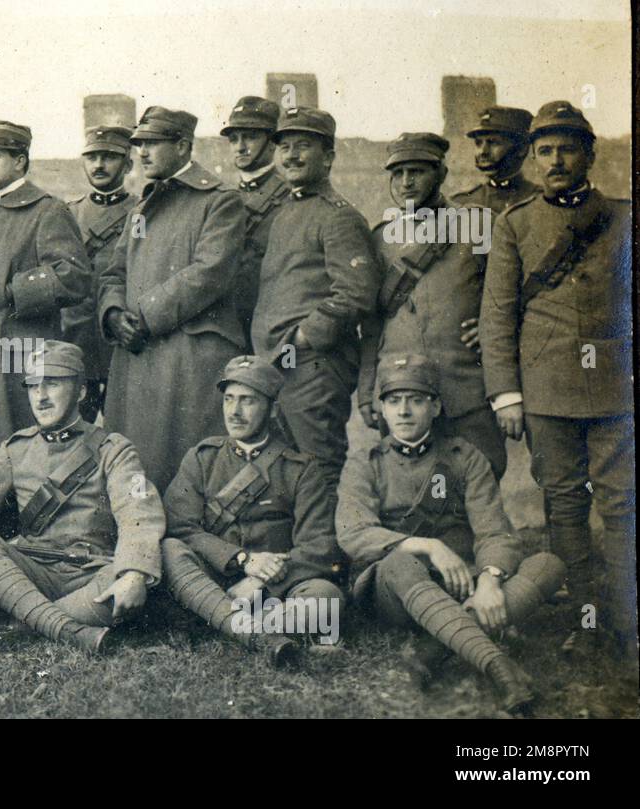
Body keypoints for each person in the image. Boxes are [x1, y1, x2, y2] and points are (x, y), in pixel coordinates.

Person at [479, 101, 635, 658]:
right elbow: (497, 315)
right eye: (544, 150)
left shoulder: (622, 218)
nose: (555, 160)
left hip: (618, 388)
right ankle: (587, 623)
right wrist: (506, 394)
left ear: (589, 154)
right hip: (547, 391)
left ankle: (627, 622)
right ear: (532, 157)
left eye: (567, 148)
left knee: (622, 506)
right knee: (565, 508)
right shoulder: (516, 224)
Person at [337, 354, 565, 714]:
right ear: (381, 409)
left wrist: (490, 579)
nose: (404, 411)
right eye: (393, 401)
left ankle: (428, 654)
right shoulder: (366, 462)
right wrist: (428, 546)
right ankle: (497, 665)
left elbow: (494, 531)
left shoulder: (464, 457)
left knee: (547, 565)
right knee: (399, 561)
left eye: (415, 400)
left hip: (461, 586)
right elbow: (354, 533)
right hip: (395, 591)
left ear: (436, 406)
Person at [0, 340, 165, 654]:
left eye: (52, 384)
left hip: (91, 573)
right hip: (32, 571)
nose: (40, 397)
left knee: (127, 580)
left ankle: (24, 622)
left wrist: (134, 572)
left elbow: (137, 511)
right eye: (33, 386)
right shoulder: (15, 450)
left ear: (82, 392)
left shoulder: (114, 449)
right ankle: (66, 627)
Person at [97, 105, 247, 492]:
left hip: (188, 358)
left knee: (186, 474)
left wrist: (143, 315)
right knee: (132, 470)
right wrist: (113, 314)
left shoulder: (218, 201)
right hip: (136, 354)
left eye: (153, 143)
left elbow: (210, 272)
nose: (141, 153)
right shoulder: (141, 206)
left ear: (183, 146)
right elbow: (115, 270)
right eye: (139, 144)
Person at [162, 356, 343, 667]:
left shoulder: (300, 469)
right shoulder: (202, 458)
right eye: (229, 399)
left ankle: (222, 624)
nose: (234, 411)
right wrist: (242, 561)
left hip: (275, 592)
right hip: (212, 582)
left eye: (247, 401)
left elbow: (318, 547)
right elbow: (180, 527)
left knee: (326, 598)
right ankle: (253, 629)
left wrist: (261, 584)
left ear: (272, 409)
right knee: (170, 550)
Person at [0, 119, 89, 488]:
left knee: (23, 461)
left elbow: (75, 277)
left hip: (19, 360)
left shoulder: (47, 211)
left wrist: (14, 290)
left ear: (21, 162)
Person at [358, 132, 506, 478]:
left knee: (481, 477)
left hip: (464, 385)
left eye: (417, 172)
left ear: (440, 174)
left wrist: (491, 327)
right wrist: (368, 390)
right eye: (398, 173)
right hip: (401, 385)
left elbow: (508, 293)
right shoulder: (381, 238)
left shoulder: (476, 225)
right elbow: (372, 324)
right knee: (410, 487)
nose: (406, 182)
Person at [250, 106, 381, 485]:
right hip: (279, 362)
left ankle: (323, 546)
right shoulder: (286, 212)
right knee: (285, 472)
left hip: (313, 365)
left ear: (329, 158)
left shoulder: (338, 216)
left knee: (316, 468)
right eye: (284, 146)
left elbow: (356, 292)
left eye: (303, 145)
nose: (290, 155)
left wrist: (303, 337)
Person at [65, 124, 136, 422]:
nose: (99, 165)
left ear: (128, 164)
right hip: (78, 339)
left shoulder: (141, 212)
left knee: (126, 432)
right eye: (92, 157)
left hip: (120, 343)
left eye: (109, 157)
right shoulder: (68, 212)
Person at [221, 96, 286, 349]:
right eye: (234, 139)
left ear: (272, 143)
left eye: (250, 137)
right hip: (231, 325)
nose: (240, 146)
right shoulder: (223, 197)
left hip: (271, 326)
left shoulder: (289, 197)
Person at [451, 105, 539, 214]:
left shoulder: (540, 199)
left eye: (493, 142)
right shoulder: (461, 203)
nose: (483, 152)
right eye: (478, 143)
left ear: (522, 149)